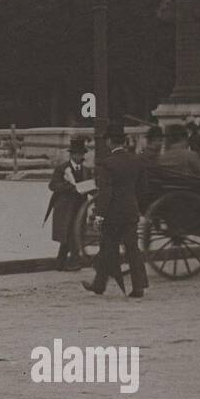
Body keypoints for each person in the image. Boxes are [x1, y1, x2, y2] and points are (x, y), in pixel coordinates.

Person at [84, 121, 149, 300]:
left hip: (113, 214)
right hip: (130, 211)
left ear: (110, 142)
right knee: (132, 249)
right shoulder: (136, 161)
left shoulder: (107, 164)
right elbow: (142, 188)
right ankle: (138, 287)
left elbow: (106, 193)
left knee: (107, 248)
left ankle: (99, 284)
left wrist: (100, 215)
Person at [44, 134, 91, 269]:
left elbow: (89, 186)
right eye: (76, 154)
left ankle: (60, 262)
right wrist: (71, 187)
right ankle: (75, 262)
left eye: (81, 154)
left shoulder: (86, 170)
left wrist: (92, 187)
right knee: (69, 233)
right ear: (71, 155)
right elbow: (53, 185)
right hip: (65, 207)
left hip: (80, 207)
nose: (79, 157)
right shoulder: (62, 168)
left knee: (73, 233)